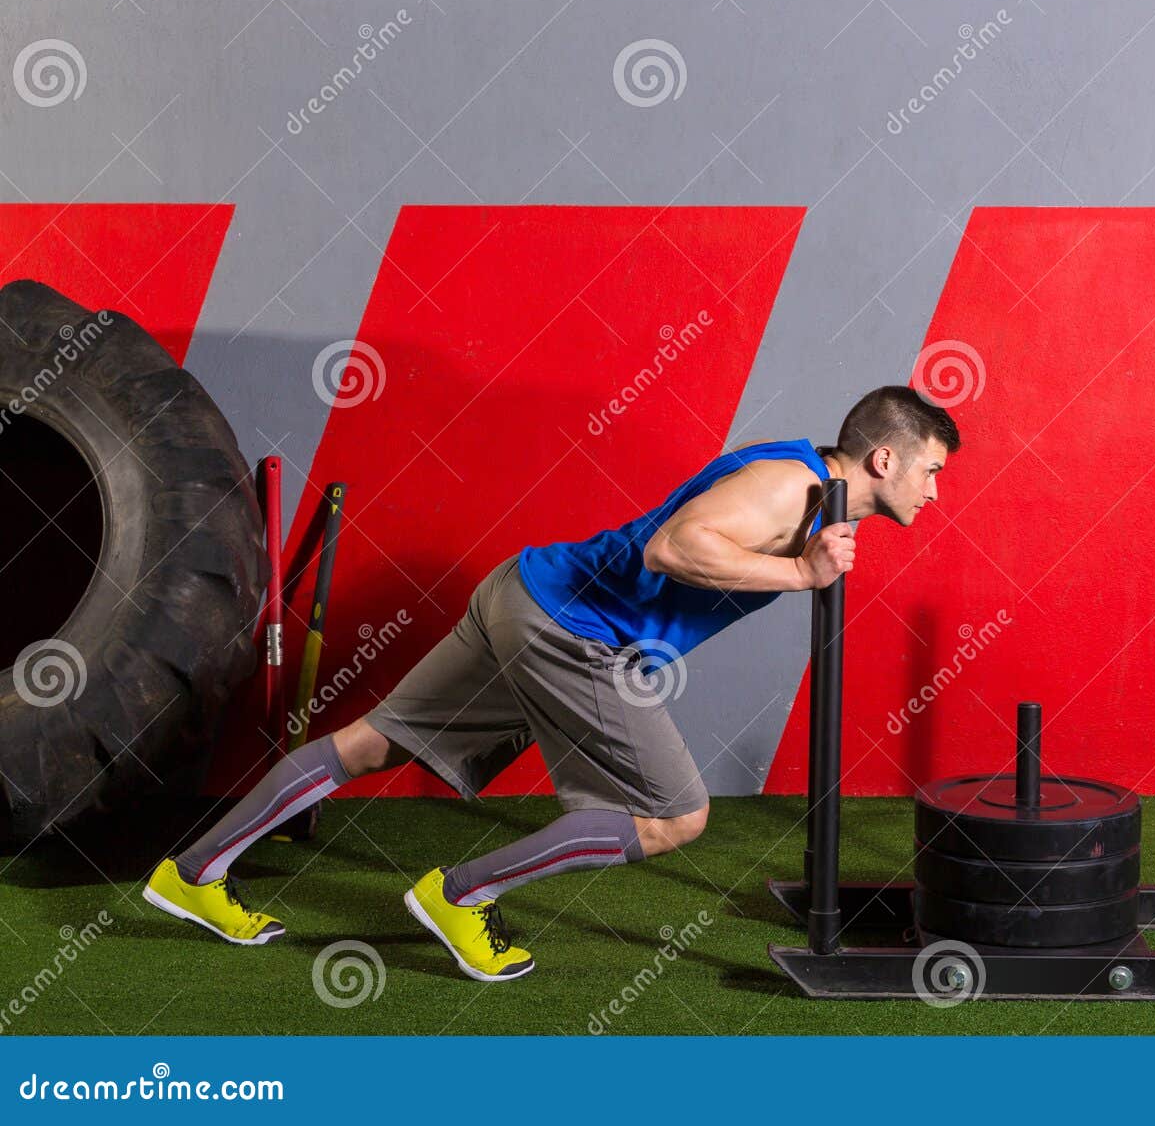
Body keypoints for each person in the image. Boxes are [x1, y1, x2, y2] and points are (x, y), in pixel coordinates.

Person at [143, 385, 959, 982]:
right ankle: (460, 894)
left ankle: (192, 871)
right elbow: (672, 548)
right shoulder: (793, 487)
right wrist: (800, 572)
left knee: (371, 741)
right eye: (930, 468)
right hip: (571, 627)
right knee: (678, 815)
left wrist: (801, 564)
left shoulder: (813, 487)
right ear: (884, 457)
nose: (934, 488)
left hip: (522, 591)